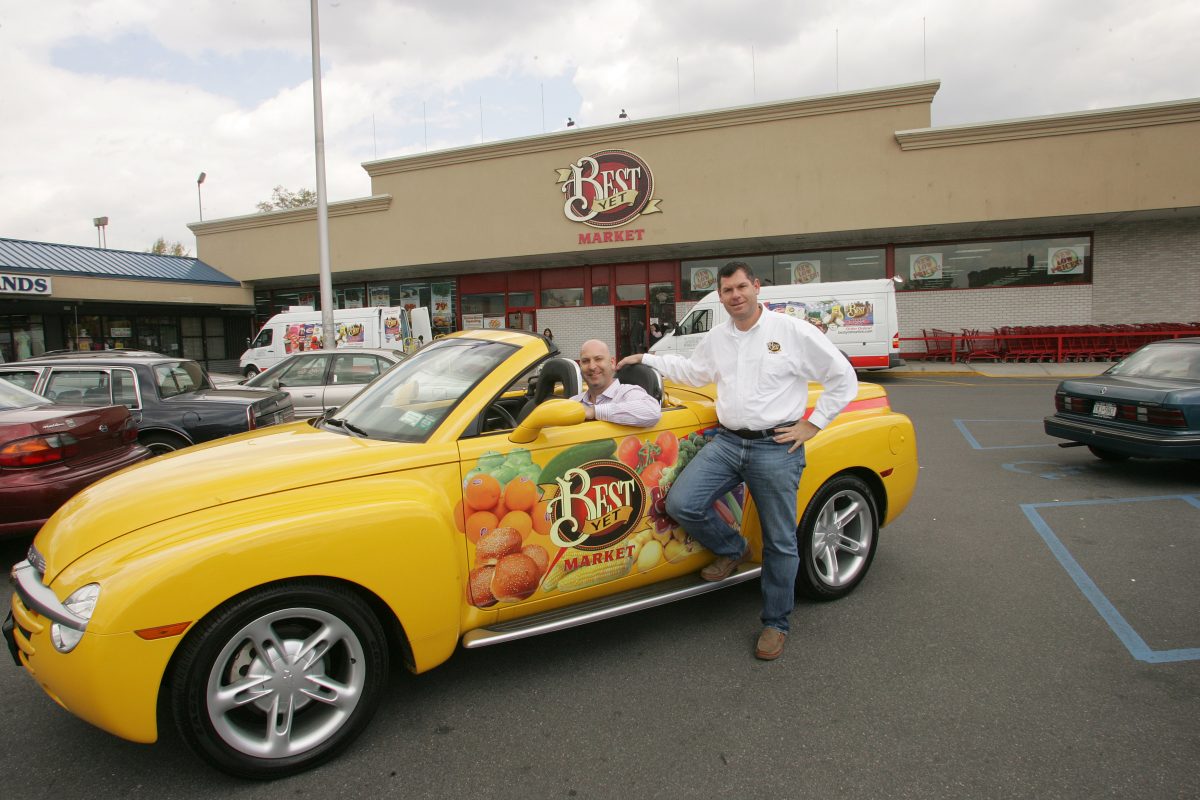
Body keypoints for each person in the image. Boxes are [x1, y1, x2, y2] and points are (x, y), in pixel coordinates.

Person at [618, 261, 857, 660]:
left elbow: (842, 377)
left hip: (776, 447)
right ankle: (733, 549)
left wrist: (813, 424)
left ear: (757, 287)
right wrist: (647, 358)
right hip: (729, 443)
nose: (736, 296)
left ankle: (776, 623)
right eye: (728, 290)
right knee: (682, 503)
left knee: (780, 540)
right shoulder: (718, 338)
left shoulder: (792, 332)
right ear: (720, 295)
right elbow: (694, 372)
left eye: (742, 287)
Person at [572, 339, 661, 427]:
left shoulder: (628, 393)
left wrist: (594, 411)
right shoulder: (573, 402)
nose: (592, 367)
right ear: (580, 366)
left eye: (598, 359)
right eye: (585, 361)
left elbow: (653, 411)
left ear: (612, 363)